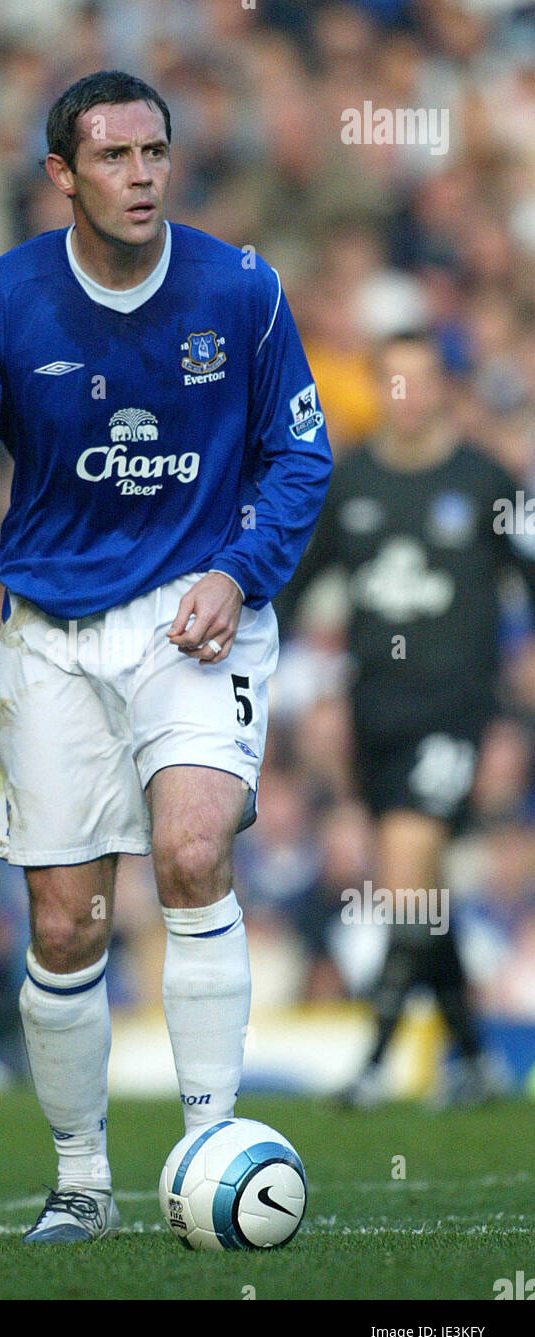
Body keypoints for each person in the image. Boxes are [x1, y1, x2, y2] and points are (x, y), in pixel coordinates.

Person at [0, 70, 332, 1241]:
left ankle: (208, 1144)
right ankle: (80, 1179)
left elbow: (298, 458)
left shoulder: (241, 290)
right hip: (53, 635)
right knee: (66, 924)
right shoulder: (2, 305)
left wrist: (237, 569)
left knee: (193, 844)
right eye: (111, 158)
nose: (141, 175)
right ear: (60, 175)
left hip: (195, 613)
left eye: (154, 152)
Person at [276, 331, 534, 1107]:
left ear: (443, 389)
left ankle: (375, 1062)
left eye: (423, 380)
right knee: (419, 889)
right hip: (374, 715)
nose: (409, 395)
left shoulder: (484, 480)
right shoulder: (349, 481)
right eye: (395, 380)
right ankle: (474, 1061)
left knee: (402, 867)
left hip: (453, 711)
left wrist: (510, 715)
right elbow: (292, 590)